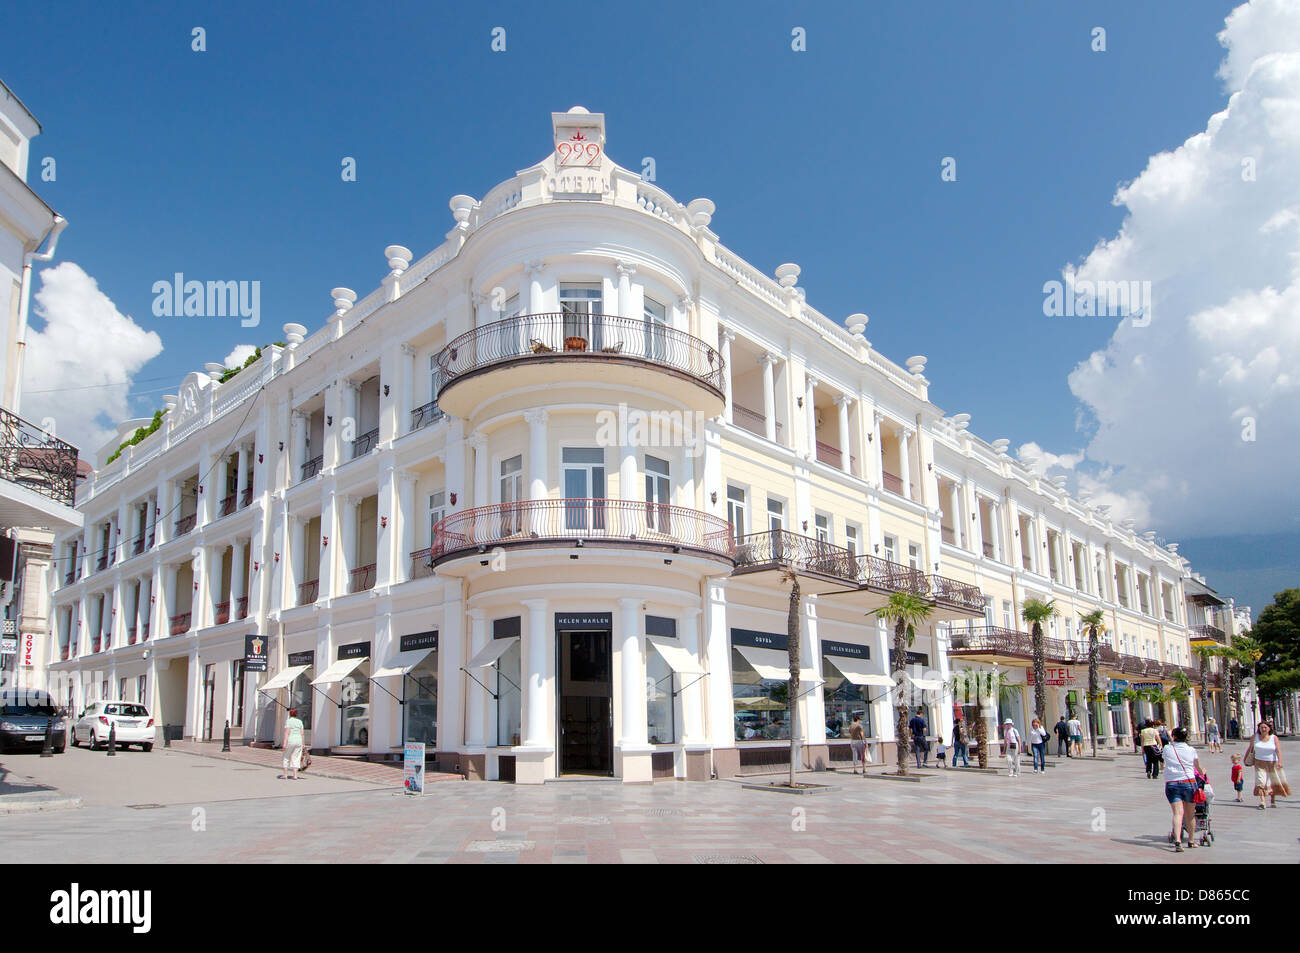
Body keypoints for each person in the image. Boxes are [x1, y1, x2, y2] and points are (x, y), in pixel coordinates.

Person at [1161, 725, 1202, 852]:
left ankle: (1178, 841)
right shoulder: (1191, 750)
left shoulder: (1167, 748)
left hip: (1172, 783)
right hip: (1189, 782)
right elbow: (1197, 766)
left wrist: (1170, 736)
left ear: (1174, 736)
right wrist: (1202, 772)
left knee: (1177, 813)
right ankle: (1191, 841)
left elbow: (1168, 749)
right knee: (1190, 814)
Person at [1245, 721, 1290, 809]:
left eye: (1265, 727)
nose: (1263, 729)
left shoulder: (1274, 738)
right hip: (1259, 763)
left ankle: (1272, 800)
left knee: (1271, 783)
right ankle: (1262, 802)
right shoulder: (1255, 737)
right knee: (1260, 782)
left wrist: (1280, 762)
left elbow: (1278, 750)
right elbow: (1250, 748)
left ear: (1269, 728)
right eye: (1261, 727)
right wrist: (1246, 758)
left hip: (1272, 763)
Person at [281, 707, 305, 780]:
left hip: (290, 740)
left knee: (286, 757)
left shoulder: (288, 721)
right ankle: (295, 775)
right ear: (296, 714)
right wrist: (303, 744)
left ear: (290, 714)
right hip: (299, 741)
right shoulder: (300, 721)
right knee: (296, 757)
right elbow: (302, 733)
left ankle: (285, 775)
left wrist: (284, 743)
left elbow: (287, 733)